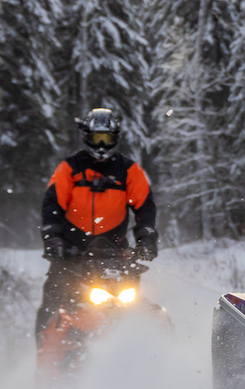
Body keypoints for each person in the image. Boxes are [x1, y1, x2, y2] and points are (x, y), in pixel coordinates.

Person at [38, 107, 157, 344]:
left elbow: (145, 206)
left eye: (107, 139)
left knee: (137, 304)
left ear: (115, 138)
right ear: (86, 138)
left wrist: (146, 237)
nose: (101, 145)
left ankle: (147, 347)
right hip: (70, 253)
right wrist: (52, 237)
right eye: (96, 139)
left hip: (114, 252)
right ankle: (45, 353)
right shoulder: (69, 168)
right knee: (51, 304)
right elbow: (52, 204)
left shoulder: (129, 171)